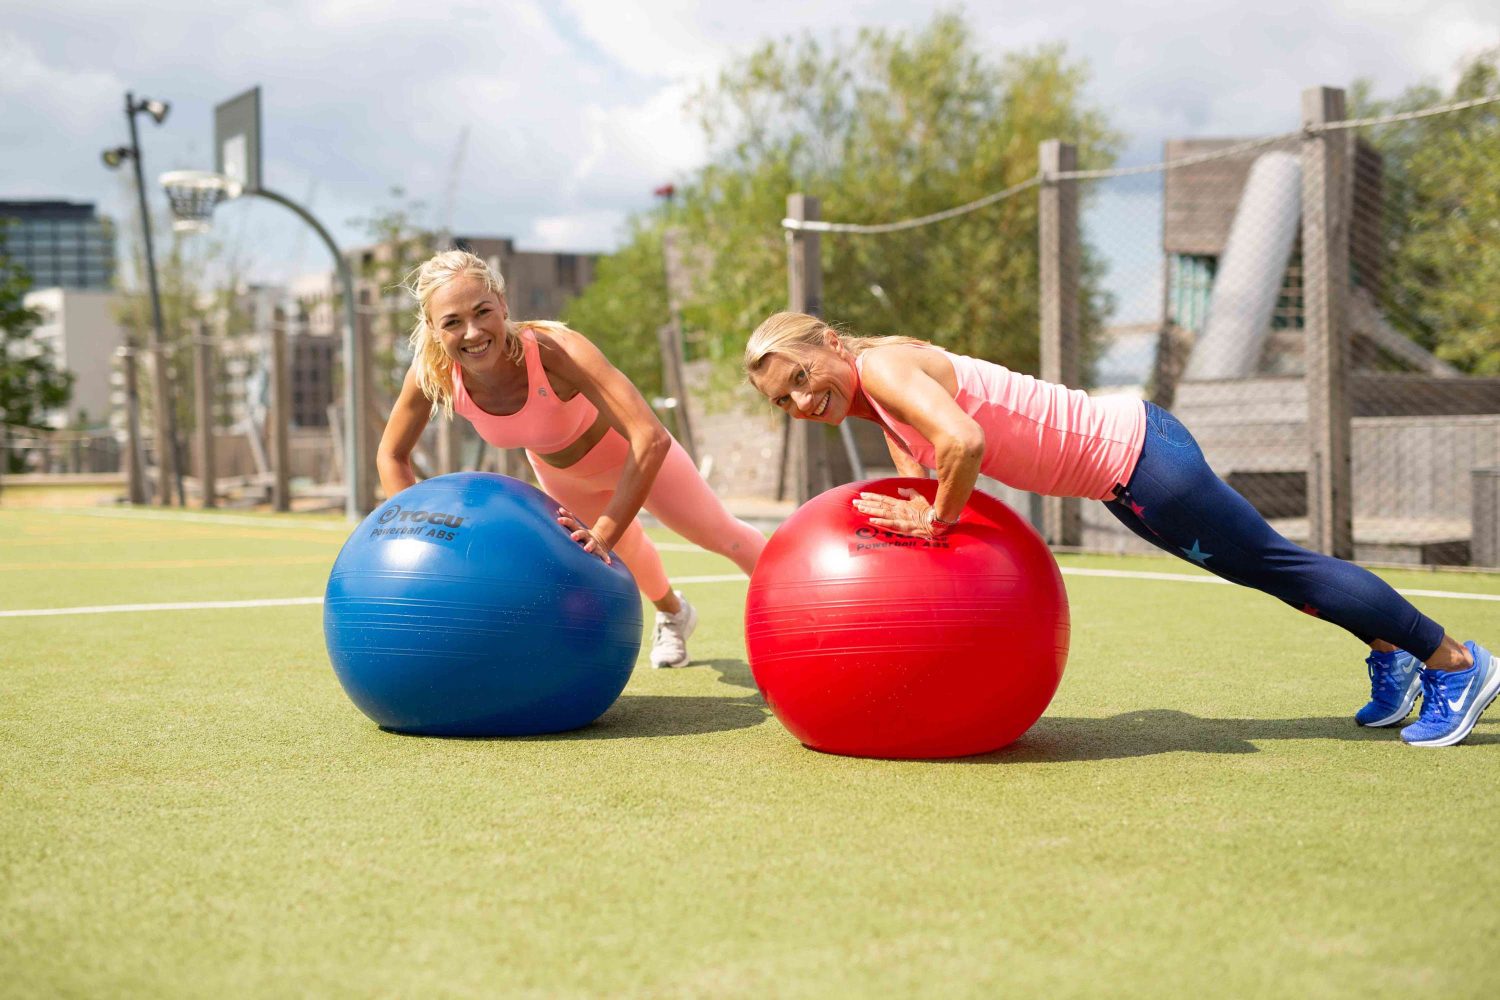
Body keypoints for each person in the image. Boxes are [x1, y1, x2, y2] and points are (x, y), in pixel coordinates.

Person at [743, 311, 1497, 748]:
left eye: (802, 378)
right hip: (1123, 478)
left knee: (1278, 567)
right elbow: (918, 481)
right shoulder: (876, 394)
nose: (803, 402)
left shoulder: (881, 371)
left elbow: (963, 446)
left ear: (831, 346)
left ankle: (1456, 663)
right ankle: (1391, 656)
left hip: (1142, 461)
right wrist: (919, 514)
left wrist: (936, 516)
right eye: (785, 402)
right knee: (1266, 571)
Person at [378, 249, 765, 668]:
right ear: (434, 329)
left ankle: (793, 612)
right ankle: (674, 613)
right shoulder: (432, 374)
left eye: (482, 312)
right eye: (452, 322)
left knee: (723, 536)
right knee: (628, 551)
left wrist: (605, 529)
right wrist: (416, 527)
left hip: (630, 454)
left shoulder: (553, 350)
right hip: (561, 475)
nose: (472, 332)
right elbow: (392, 455)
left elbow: (649, 437)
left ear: (503, 305)